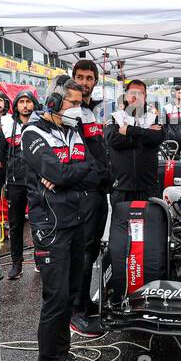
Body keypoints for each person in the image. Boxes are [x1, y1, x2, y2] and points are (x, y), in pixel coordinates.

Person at [21, 78, 104, 361]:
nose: (78, 109)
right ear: (54, 103)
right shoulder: (33, 132)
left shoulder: (72, 131)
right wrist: (68, 173)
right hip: (50, 225)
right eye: (73, 103)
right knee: (55, 298)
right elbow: (57, 173)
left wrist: (67, 174)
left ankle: (63, 354)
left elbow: (93, 169)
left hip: (74, 219)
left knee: (70, 294)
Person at [68, 60, 112, 335]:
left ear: (95, 81)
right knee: (83, 253)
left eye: (89, 78)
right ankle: (76, 311)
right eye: (80, 77)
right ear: (73, 79)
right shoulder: (69, 111)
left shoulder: (93, 111)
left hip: (98, 193)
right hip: (82, 193)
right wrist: (98, 176)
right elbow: (77, 154)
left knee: (92, 250)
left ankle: (84, 301)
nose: (85, 82)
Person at [107, 79, 165, 202]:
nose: (136, 97)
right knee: (121, 221)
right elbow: (112, 140)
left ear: (145, 96)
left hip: (149, 188)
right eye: (132, 93)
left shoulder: (153, 117)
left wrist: (129, 131)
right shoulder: (115, 117)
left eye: (140, 93)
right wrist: (145, 134)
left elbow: (158, 137)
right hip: (121, 188)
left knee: (153, 221)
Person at [4, 92, 39, 279]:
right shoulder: (7, 125)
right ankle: (16, 264)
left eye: (28, 102)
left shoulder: (41, 124)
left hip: (36, 182)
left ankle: (39, 260)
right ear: (16, 105)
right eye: (22, 102)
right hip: (15, 182)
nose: (25, 106)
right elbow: (1, 155)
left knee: (38, 222)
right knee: (16, 225)